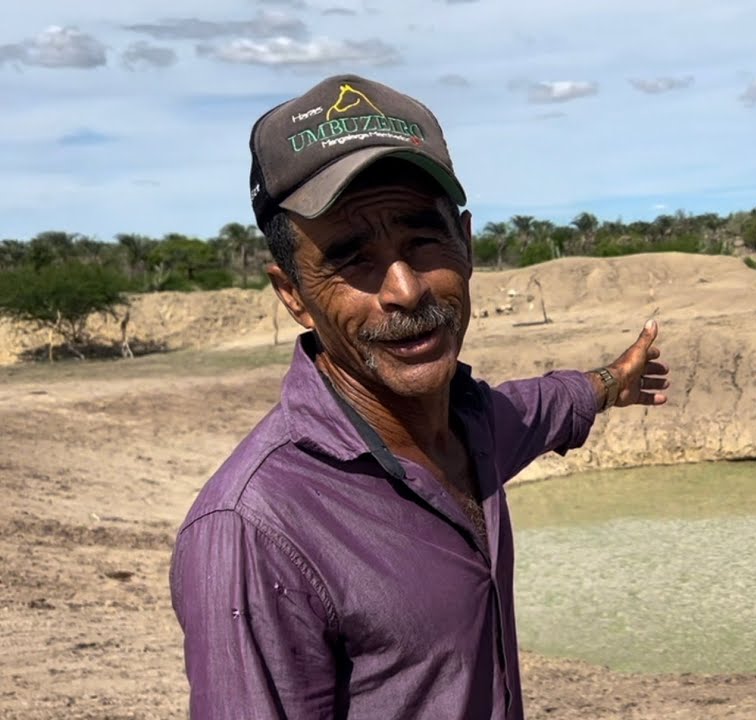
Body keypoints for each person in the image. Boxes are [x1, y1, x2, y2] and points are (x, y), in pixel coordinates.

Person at [168, 73, 670, 720]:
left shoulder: (474, 426)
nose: (406, 290)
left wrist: (607, 383)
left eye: (423, 240)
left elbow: (543, 407)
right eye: (352, 257)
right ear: (292, 292)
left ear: (464, 242)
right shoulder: (253, 532)